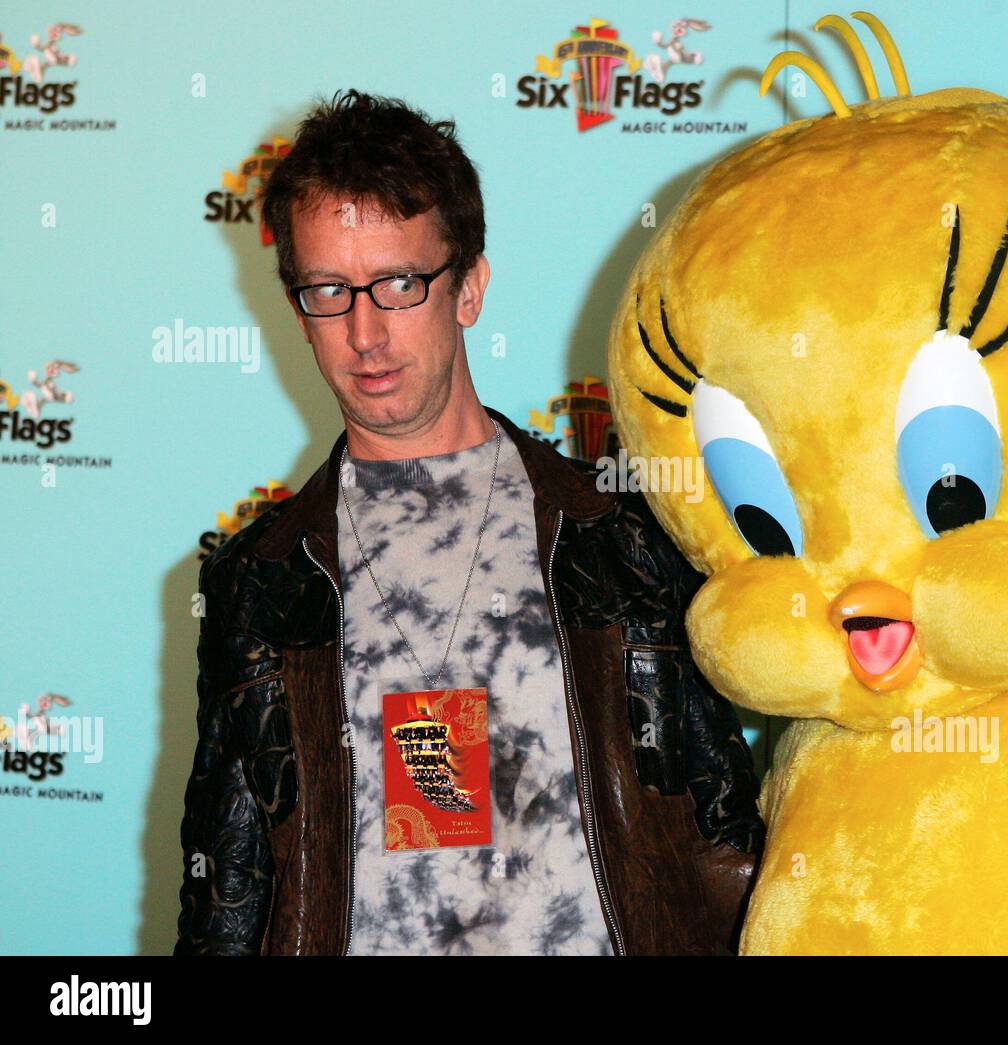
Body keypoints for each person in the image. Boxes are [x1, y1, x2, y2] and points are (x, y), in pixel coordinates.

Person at [172, 90, 764, 956]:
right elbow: (228, 893)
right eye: (329, 290)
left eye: (400, 284)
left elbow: (724, 833)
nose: (366, 332)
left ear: (470, 287)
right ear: (297, 307)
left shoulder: (625, 540)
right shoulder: (261, 582)